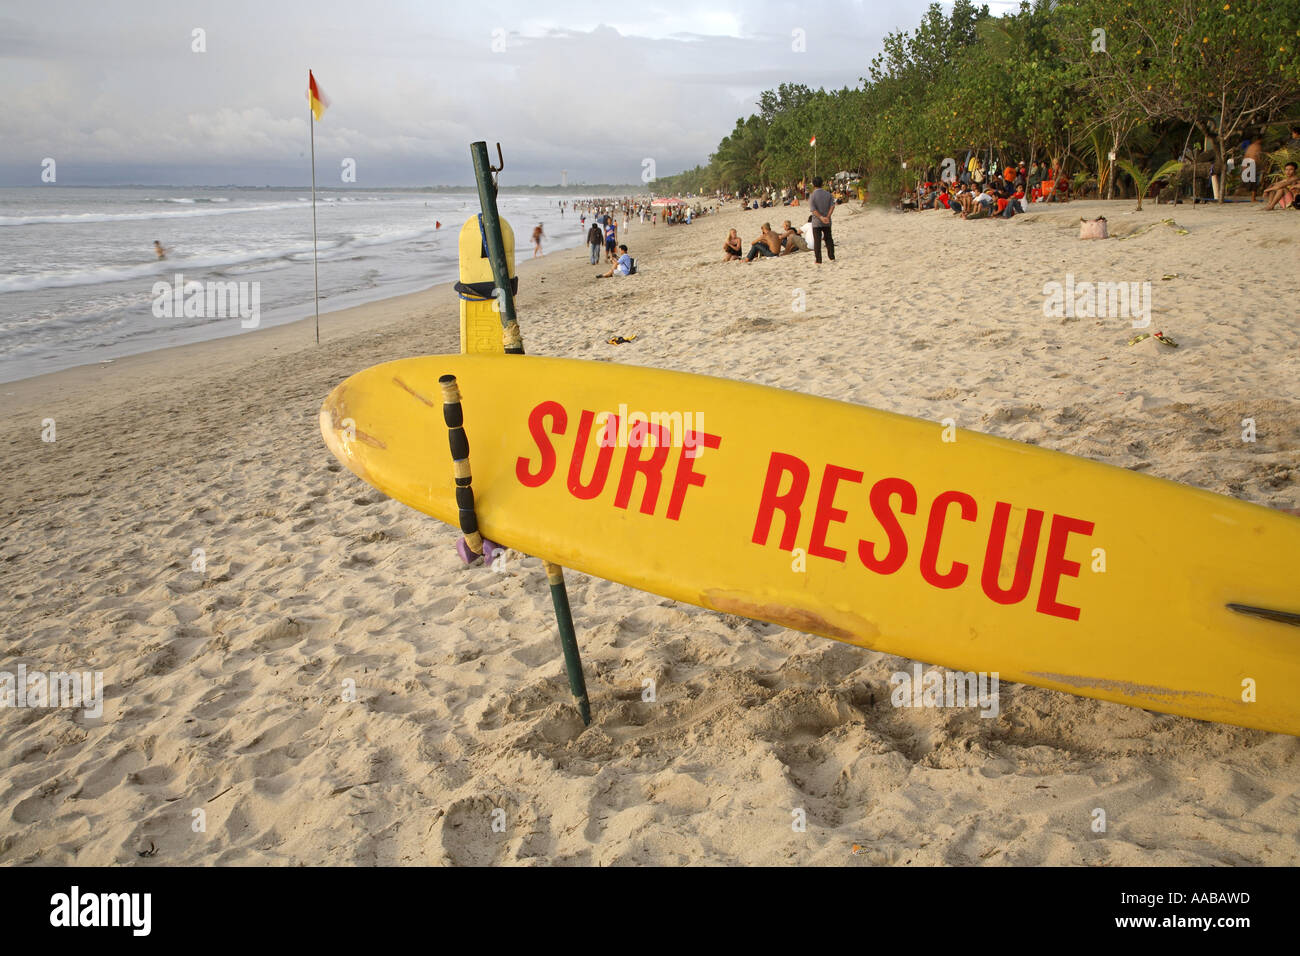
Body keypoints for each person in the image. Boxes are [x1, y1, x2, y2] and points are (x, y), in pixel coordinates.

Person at [808, 176, 835, 263]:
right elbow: (832, 206)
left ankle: (818, 259)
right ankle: (831, 257)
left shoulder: (812, 196)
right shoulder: (828, 194)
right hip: (827, 221)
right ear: (822, 184)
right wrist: (827, 216)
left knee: (817, 241)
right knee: (828, 239)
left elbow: (813, 209)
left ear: (813, 184)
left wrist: (821, 217)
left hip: (817, 222)